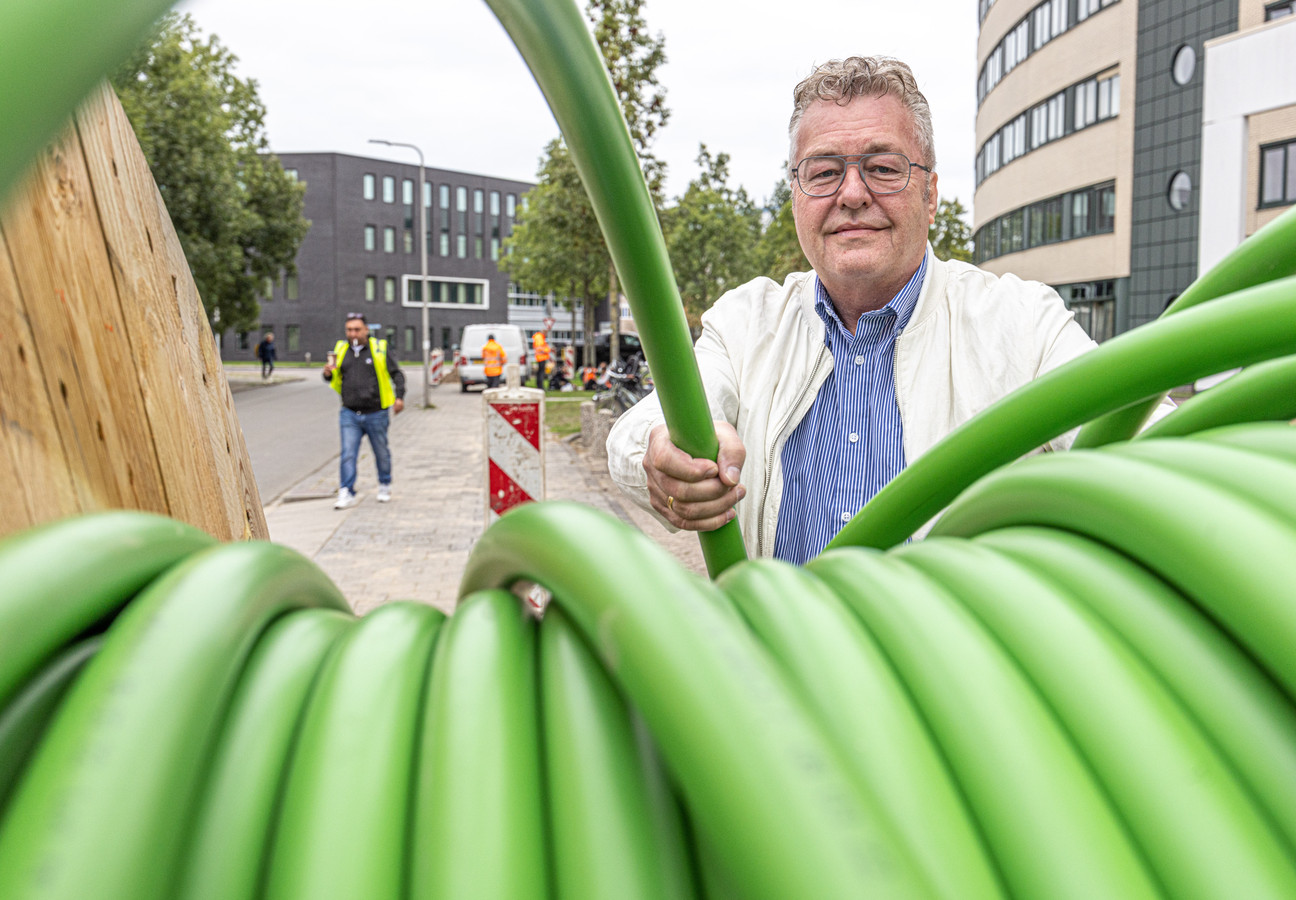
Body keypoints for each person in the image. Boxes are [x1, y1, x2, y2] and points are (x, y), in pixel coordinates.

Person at [608, 55, 1137, 565]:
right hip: (772, 630)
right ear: (795, 196)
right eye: (823, 172)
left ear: (930, 195)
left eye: (883, 168)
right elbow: (650, 424)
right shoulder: (746, 323)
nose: (853, 194)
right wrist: (666, 456)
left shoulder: (1022, 323)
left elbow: (1144, 454)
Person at [322, 312, 405, 509]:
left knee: (381, 451)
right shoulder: (341, 350)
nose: (353, 334)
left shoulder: (379, 348)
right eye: (349, 330)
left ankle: (384, 484)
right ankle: (346, 491)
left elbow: (397, 374)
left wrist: (400, 396)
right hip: (349, 412)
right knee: (348, 453)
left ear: (366, 330)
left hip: (376, 412)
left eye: (357, 330)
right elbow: (333, 376)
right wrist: (327, 373)